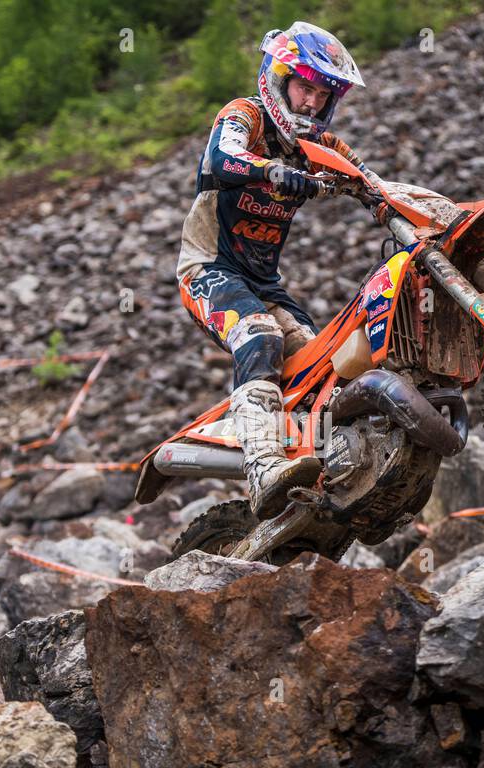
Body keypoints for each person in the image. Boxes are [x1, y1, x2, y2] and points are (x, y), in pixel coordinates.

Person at [176, 21, 380, 520]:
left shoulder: (322, 146)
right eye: (304, 86)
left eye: (323, 93)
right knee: (260, 337)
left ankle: (322, 464)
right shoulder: (244, 116)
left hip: (265, 284)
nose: (311, 102)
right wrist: (270, 170)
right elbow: (221, 158)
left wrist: (407, 211)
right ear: (279, 77)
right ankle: (263, 466)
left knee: (322, 363)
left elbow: (372, 183)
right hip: (208, 270)